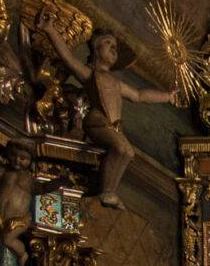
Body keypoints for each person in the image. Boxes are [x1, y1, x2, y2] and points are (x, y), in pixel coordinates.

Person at [42, 27, 177, 208]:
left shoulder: (115, 82)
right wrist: (50, 30)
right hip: (98, 121)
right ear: (96, 49)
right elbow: (68, 58)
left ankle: (109, 191)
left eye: (115, 46)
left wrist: (167, 97)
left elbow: (139, 95)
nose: (114, 48)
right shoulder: (91, 74)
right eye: (108, 43)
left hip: (114, 126)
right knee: (121, 148)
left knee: (128, 152)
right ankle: (106, 192)